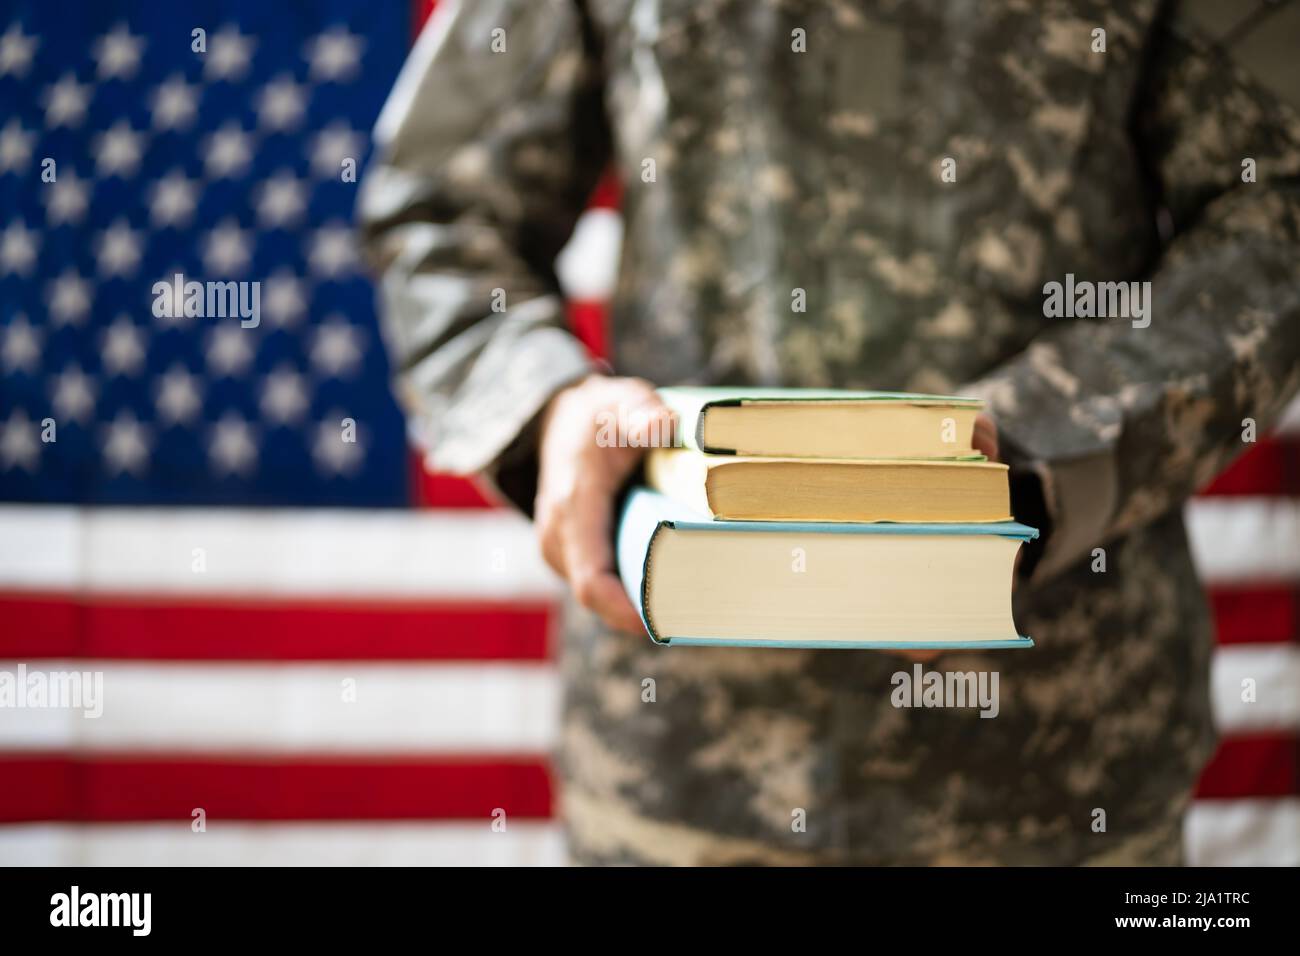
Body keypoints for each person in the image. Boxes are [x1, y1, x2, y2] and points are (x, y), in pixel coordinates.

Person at [359, 0, 1300, 864]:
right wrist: (548, 404)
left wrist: (1044, 436)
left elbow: (1280, 204)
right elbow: (440, 206)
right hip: (681, 768)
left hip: (1059, 775)